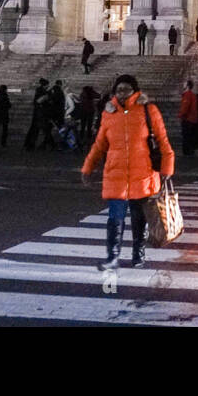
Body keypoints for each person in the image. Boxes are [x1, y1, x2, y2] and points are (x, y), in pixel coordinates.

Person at [81, 74, 175, 271]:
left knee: (139, 218)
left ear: (135, 90)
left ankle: (137, 253)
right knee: (115, 217)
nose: (122, 93)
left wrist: (167, 167)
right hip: (116, 174)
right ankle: (112, 256)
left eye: (127, 89)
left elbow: (163, 141)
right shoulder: (109, 114)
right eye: (119, 90)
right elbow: (99, 145)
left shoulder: (149, 110)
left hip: (143, 174)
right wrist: (88, 168)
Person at [25, 78, 52, 150]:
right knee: (43, 130)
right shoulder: (42, 92)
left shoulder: (40, 91)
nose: (48, 86)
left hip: (38, 114)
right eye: (47, 85)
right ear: (45, 85)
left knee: (36, 130)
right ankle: (48, 144)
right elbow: (38, 101)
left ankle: (30, 144)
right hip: (40, 114)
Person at [179, 79, 198, 155]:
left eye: (184, 84)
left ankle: (187, 152)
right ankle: (190, 151)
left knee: (186, 136)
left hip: (188, 119)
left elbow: (185, 107)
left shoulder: (187, 95)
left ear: (187, 86)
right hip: (192, 119)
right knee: (190, 136)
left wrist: (181, 115)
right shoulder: (192, 95)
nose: (183, 85)